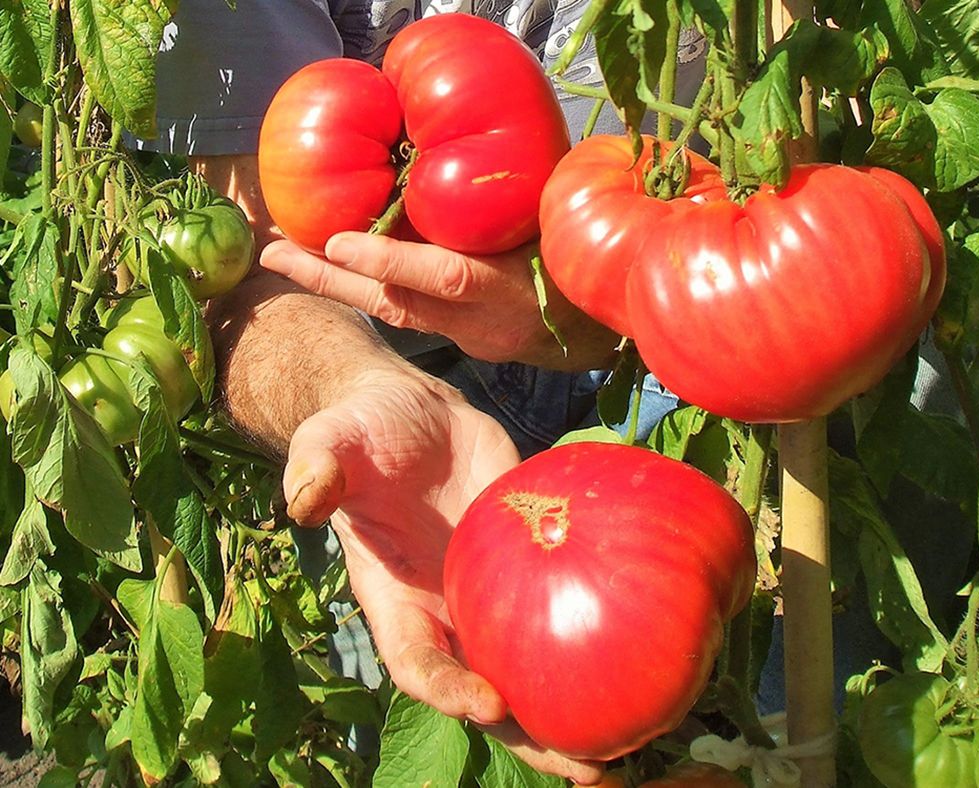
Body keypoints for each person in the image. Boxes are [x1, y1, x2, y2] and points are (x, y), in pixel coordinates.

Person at [135, 1, 704, 781]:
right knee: (417, 687)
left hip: (665, 349)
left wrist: (590, 317)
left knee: (732, 677)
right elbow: (249, 270)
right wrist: (357, 385)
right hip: (388, 377)